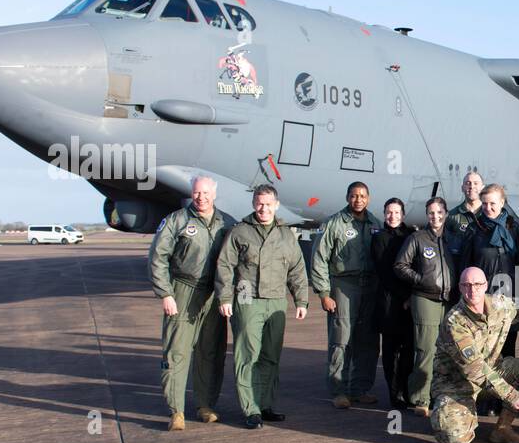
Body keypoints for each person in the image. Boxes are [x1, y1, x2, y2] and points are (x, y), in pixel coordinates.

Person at [214, 184, 309, 428]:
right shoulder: (240, 232)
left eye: (268, 204)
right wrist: (225, 298)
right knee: (248, 356)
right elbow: (224, 266)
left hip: (276, 300)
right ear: (253, 204)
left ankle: (265, 405)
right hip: (247, 299)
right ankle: (250, 409)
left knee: (270, 356)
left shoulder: (286, 234)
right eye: (259, 203)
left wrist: (301, 300)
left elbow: (297, 269)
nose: (263, 208)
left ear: (276, 205)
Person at [148, 174, 236, 430]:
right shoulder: (176, 221)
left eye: (206, 193)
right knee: (177, 351)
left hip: (213, 294)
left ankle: (206, 405)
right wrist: (165, 293)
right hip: (183, 290)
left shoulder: (226, 223)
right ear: (192, 193)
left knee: (211, 352)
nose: (201, 197)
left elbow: (234, 260)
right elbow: (158, 257)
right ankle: (177, 411)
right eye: (197, 193)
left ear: (214, 194)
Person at [429, 267, 519, 443]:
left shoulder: (499, 304)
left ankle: (502, 429)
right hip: (456, 384)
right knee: (454, 441)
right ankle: (456, 412)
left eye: (477, 284)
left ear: (485, 285)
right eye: (467, 285)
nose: (472, 290)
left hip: (493, 372)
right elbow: (475, 369)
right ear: (460, 288)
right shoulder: (455, 322)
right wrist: (512, 395)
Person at [309, 182, 383, 409]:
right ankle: (339, 390)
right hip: (343, 285)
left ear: (368, 198)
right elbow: (319, 258)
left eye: (362, 196)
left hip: (369, 286)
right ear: (347, 197)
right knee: (341, 339)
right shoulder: (334, 223)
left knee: (367, 340)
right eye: (353, 196)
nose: (358, 200)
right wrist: (323, 293)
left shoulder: (375, 224)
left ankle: (360, 389)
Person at [395, 197, 457, 417]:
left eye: (440, 212)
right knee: (425, 349)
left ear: (446, 213)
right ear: (426, 214)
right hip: (425, 299)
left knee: (446, 350)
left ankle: (439, 394)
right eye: (431, 212)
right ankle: (420, 397)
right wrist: (420, 279)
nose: (436, 216)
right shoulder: (417, 238)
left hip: (448, 300)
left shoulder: (452, 239)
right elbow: (400, 265)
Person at [459, 183, 519, 356]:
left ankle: (506, 383)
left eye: (492, 203)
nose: (488, 208)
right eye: (484, 203)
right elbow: (465, 265)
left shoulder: (512, 229)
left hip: (509, 297)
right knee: (484, 351)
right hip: (484, 297)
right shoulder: (474, 229)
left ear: (502, 203)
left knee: (508, 350)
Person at [372, 198, 416, 409]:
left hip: (408, 303)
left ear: (403, 214)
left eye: (396, 212)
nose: (393, 216)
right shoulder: (379, 238)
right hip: (390, 301)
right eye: (389, 212)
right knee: (390, 352)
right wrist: (403, 296)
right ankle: (394, 394)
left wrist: (410, 296)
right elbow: (384, 272)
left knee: (408, 350)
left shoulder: (411, 236)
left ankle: (406, 391)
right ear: (384, 214)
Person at [444, 170, 484, 261]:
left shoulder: (489, 215)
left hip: (484, 268)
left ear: (482, 188)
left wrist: (518, 274)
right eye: (468, 183)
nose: (471, 186)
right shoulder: (452, 216)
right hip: (461, 269)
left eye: (476, 183)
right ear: (462, 188)